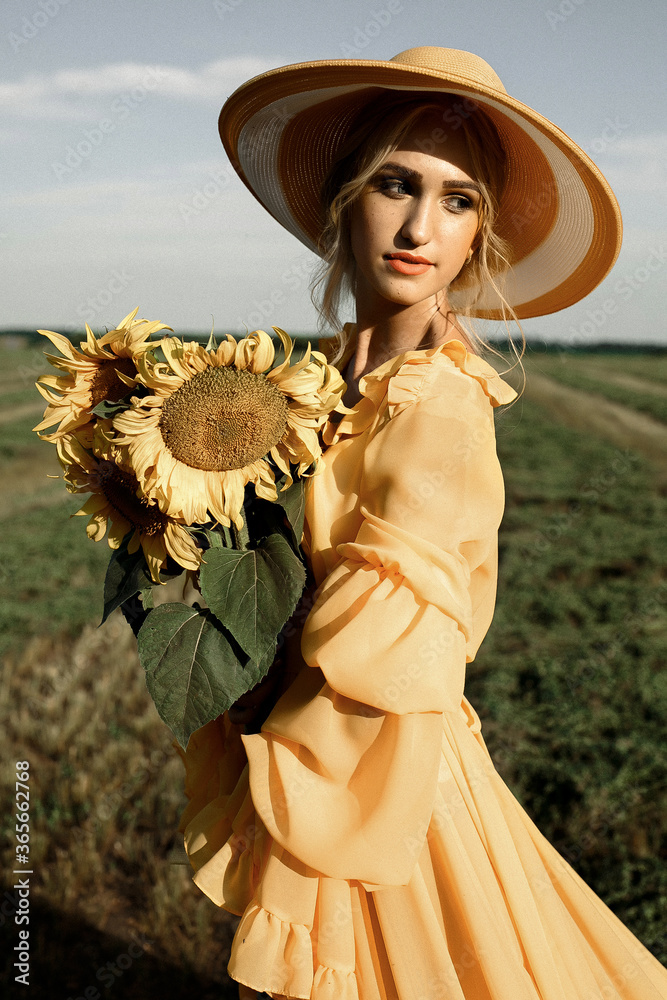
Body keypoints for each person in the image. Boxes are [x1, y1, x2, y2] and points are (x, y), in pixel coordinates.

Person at [176, 48, 667, 999]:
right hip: (330, 744)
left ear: (480, 234)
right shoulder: (322, 382)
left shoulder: (439, 405)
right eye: (395, 185)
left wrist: (246, 670)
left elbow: (379, 649)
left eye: (456, 200)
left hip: (375, 770)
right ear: (344, 201)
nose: (416, 226)